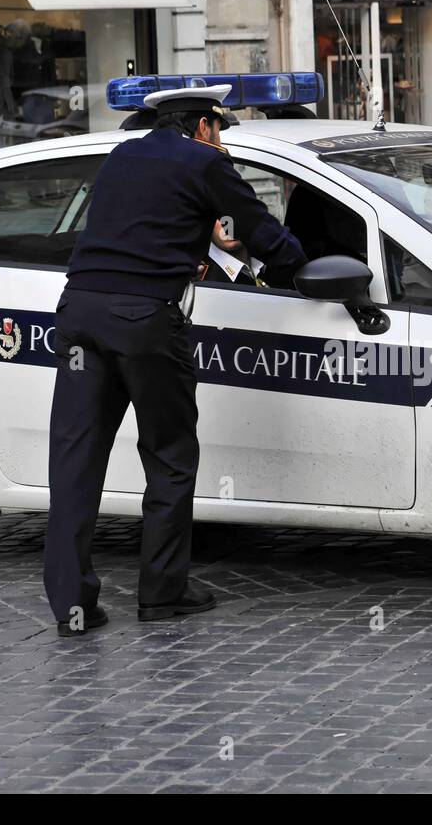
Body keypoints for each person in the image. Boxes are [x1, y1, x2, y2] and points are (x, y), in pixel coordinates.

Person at [43, 84, 307, 637]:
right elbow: (260, 231)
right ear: (205, 126)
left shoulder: (122, 155)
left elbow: (143, 224)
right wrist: (300, 264)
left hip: (80, 313)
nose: (223, 142)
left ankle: (73, 603)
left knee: (75, 459)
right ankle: (162, 592)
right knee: (169, 453)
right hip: (143, 321)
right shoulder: (204, 163)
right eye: (222, 132)